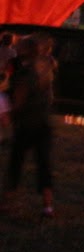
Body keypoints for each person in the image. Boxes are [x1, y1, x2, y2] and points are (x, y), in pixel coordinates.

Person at [2, 35, 56, 217]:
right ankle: (48, 206)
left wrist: (6, 107)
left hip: (26, 125)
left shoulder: (24, 75)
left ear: (24, 51)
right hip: (43, 123)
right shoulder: (45, 70)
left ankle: (8, 202)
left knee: (15, 163)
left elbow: (18, 101)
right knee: (44, 165)